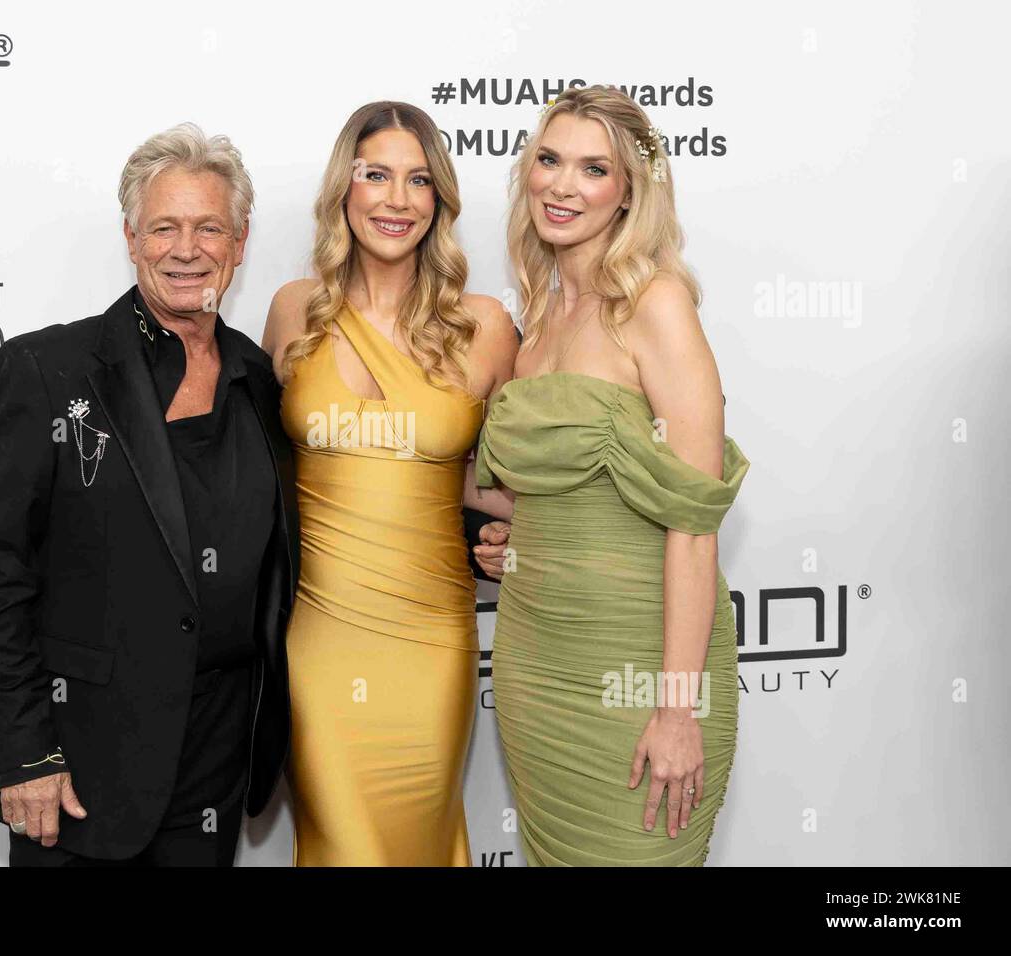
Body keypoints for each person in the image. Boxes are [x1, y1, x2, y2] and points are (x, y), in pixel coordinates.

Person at [0, 123, 299, 866]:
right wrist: (23, 752)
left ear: (240, 242)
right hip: (80, 766)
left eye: (209, 227)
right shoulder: (50, 370)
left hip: (215, 756)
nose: (186, 249)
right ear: (130, 237)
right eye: (163, 227)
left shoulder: (260, 381)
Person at [471, 86, 750, 865]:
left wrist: (676, 711)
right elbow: (564, 490)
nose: (562, 185)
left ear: (631, 190)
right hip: (536, 666)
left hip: (640, 671)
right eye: (550, 160)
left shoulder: (656, 305)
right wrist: (519, 537)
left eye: (593, 169)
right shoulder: (536, 320)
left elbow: (692, 526)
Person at [262, 100, 518, 865]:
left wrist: (527, 536)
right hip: (317, 641)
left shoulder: (485, 326)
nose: (396, 199)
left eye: (418, 180)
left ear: (439, 199)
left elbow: (502, 479)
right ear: (345, 188)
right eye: (376, 175)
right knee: (345, 846)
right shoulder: (292, 311)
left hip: (431, 641)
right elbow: (251, 472)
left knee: (414, 843)